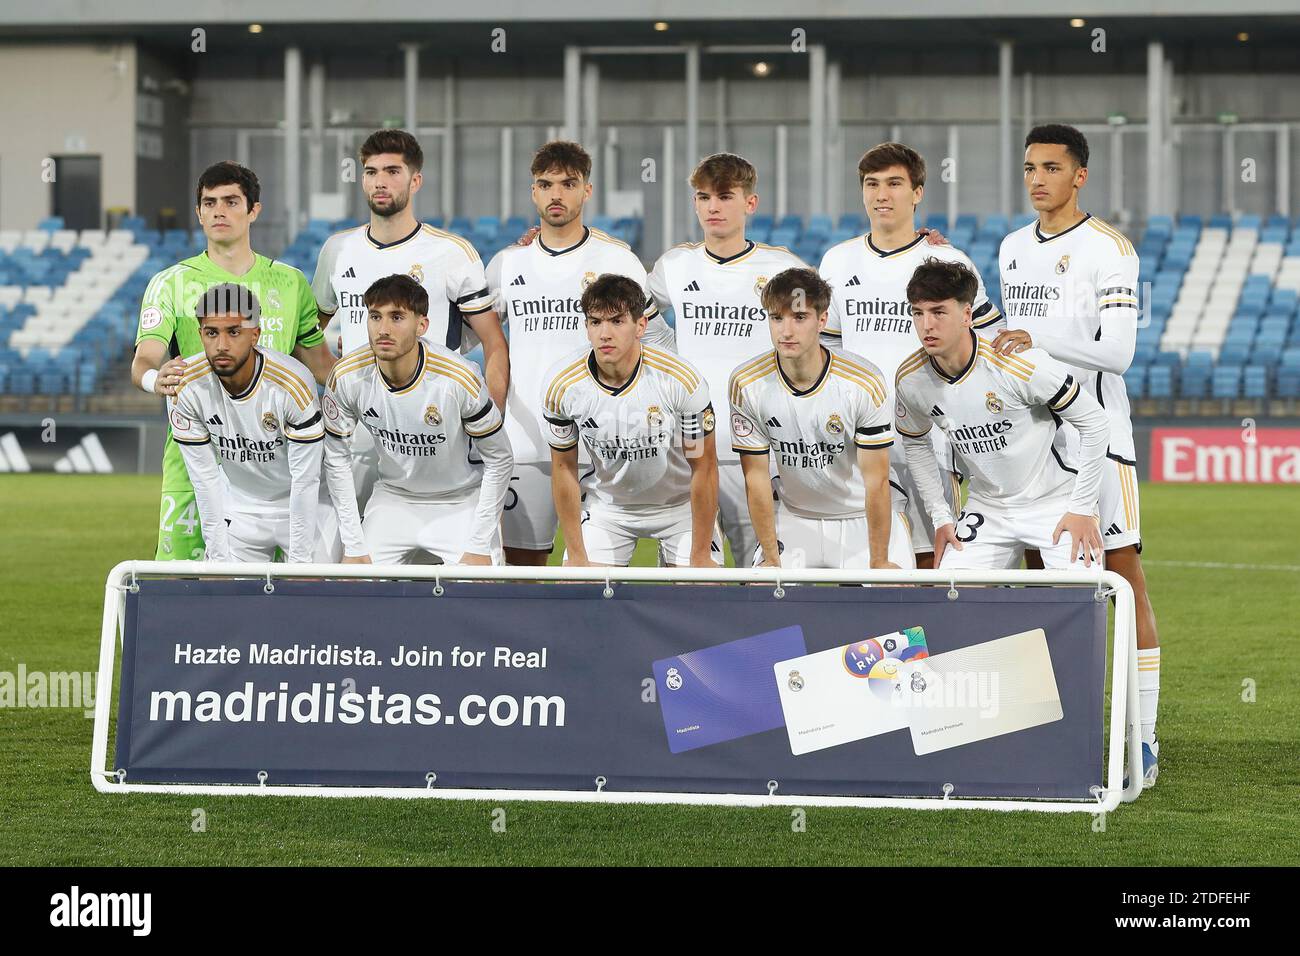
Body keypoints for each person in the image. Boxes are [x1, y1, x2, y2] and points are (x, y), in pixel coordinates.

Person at [993, 122, 1159, 785]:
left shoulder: (1109, 250)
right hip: (1031, 440)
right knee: (1044, 581)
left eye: (1052, 168)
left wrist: (1040, 337)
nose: (1038, 179)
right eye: (1030, 167)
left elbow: (1118, 352)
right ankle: (1053, 732)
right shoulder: (1010, 248)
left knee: (1122, 578)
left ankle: (1143, 740)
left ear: (1079, 176)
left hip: (1098, 437)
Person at [311, 129, 509, 555]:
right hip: (360, 439)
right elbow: (309, 334)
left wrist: (485, 425)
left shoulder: (451, 252)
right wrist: (336, 381)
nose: (380, 181)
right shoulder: (337, 250)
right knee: (345, 565)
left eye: (392, 171)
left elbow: (494, 344)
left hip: (437, 440)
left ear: (415, 180)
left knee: (461, 575)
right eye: (371, 172)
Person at [131, 160, 335, 560]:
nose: (218, 211)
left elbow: (321, 365)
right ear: (198, 212)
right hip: (197, 454)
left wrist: (376, 385)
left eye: (230, 202)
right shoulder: (171, 282)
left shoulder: (290, 283)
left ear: (254, 210)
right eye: (209, 203)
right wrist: (155, 379)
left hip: (275, 465)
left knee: (283, 587)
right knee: (185, 581)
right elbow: (145, 359)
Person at [485, 140, 674, 565]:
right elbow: (470, 338)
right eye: (545, 184)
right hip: (526, 442)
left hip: (604, 444)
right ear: (533, 192)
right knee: (520, 568)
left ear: (587, 191)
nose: (556, 194)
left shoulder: (617, 260)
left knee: (594, 570)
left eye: (568, 184)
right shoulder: (505, 265)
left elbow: (657, 341)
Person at [820, 142, 1001, 569]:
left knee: (932, 555)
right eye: (872, 184)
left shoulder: (948, 261)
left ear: (917, 192)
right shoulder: (837, 261)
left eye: (894, 184)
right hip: (858, 439)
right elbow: (829, 352)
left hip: (931, 436)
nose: (881, 195)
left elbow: (989, 343)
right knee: (865, 557)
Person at [895, 258, 1110, 573]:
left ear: (967, 315)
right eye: (918, 313)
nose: (926, 325)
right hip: (988, 508)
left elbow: (1095, 422)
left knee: (1081, 592)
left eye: (938, 312)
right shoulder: (911, 379)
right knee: (950, 593)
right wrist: (941, 518)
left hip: (1054, 501)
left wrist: (1082, 508)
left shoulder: (1018, 364)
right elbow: (916, 443)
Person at [647, 152, 807, 566]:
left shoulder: (782, 267)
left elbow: (820, 339)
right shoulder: (675, 265)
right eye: (703, 197)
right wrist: (673, 356)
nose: (712, 207)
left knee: (768, 575)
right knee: (694, 577)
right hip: (690, 451)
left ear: (750, 203)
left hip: (762, 451)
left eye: (724, 196)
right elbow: (637, 321)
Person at [322, 275, 513, 565]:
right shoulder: (347, 376)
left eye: (397, 317)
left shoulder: (458, 378)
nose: (383, 329)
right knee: (356, 583)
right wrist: (353, 545)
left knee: (480, 584)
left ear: (422, 325)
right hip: (393, 498)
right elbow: (336, 459)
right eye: (375, 316)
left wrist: (479, 542)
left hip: (460, 500)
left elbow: (500, 459)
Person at [729, 268, 908, 571]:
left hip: (861, 516)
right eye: (777, 318)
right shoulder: (747, 383)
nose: (786, 331)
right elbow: (756, 479)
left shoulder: (863, 382)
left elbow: (876, 481)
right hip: (795, 516)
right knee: (762, 593)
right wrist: (771, 559)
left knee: (893, 596)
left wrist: (878, 560)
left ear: (822, 320)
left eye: (799, 318)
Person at [542, 274, 720, 568]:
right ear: (586, 327)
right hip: (608, 509)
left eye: (617, 321)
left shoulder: (680, 379)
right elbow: (563, 468)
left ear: (641, 325)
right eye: (595, 322)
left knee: (701, 587)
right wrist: (576, 555)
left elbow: (704, 466)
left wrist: (700, 554)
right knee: (578, 586)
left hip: (680, 507)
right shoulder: (562, 386)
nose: (605, 334)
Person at [169, 284, 323, 562]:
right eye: (211, 333)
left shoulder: (292, 384)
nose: (221, 345)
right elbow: (205, 479)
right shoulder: (185, 386)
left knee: (313, 588)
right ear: (200, 334)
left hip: (306, 505)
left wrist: (301, 566)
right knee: (224, 586)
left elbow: (306, 480)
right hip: (241, 506)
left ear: (255, 335)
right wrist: (218, 561)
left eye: (233, 332)